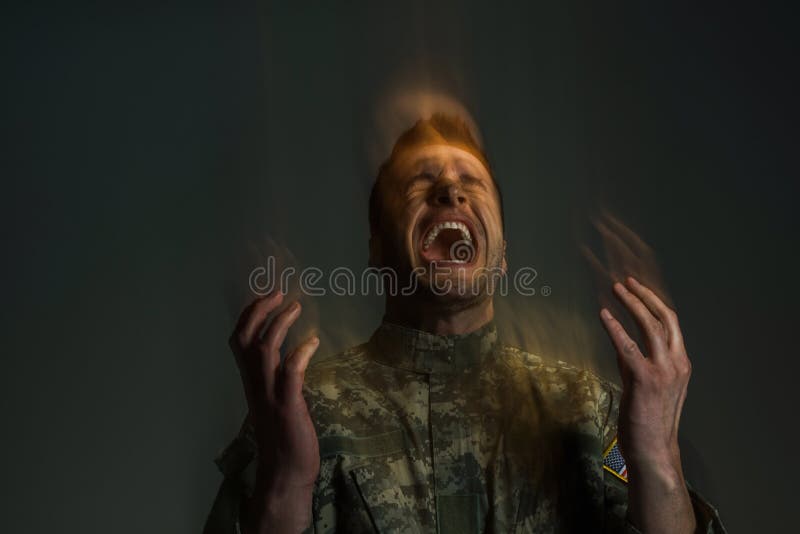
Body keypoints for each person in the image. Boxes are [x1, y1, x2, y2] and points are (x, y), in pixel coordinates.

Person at [203, 114, 726, 533]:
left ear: (501, 257)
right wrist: (286, 481)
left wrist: (657, 456)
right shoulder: (300, 409)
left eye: (471, 181)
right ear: (379, 250)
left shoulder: (591, 409)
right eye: (420, 182)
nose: (450, 190)